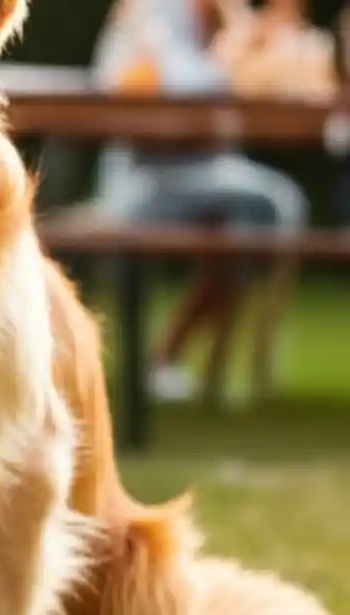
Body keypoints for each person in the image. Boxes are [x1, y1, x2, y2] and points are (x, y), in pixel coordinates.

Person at [93, 0, 312, 406]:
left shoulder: (222, 18)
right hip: (146, 177)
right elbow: (166, 85)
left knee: (266, 212)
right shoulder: (149, 14)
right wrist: (232, 55)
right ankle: (158, 362)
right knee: (270, 205)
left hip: (211, 173)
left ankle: (199, 359)